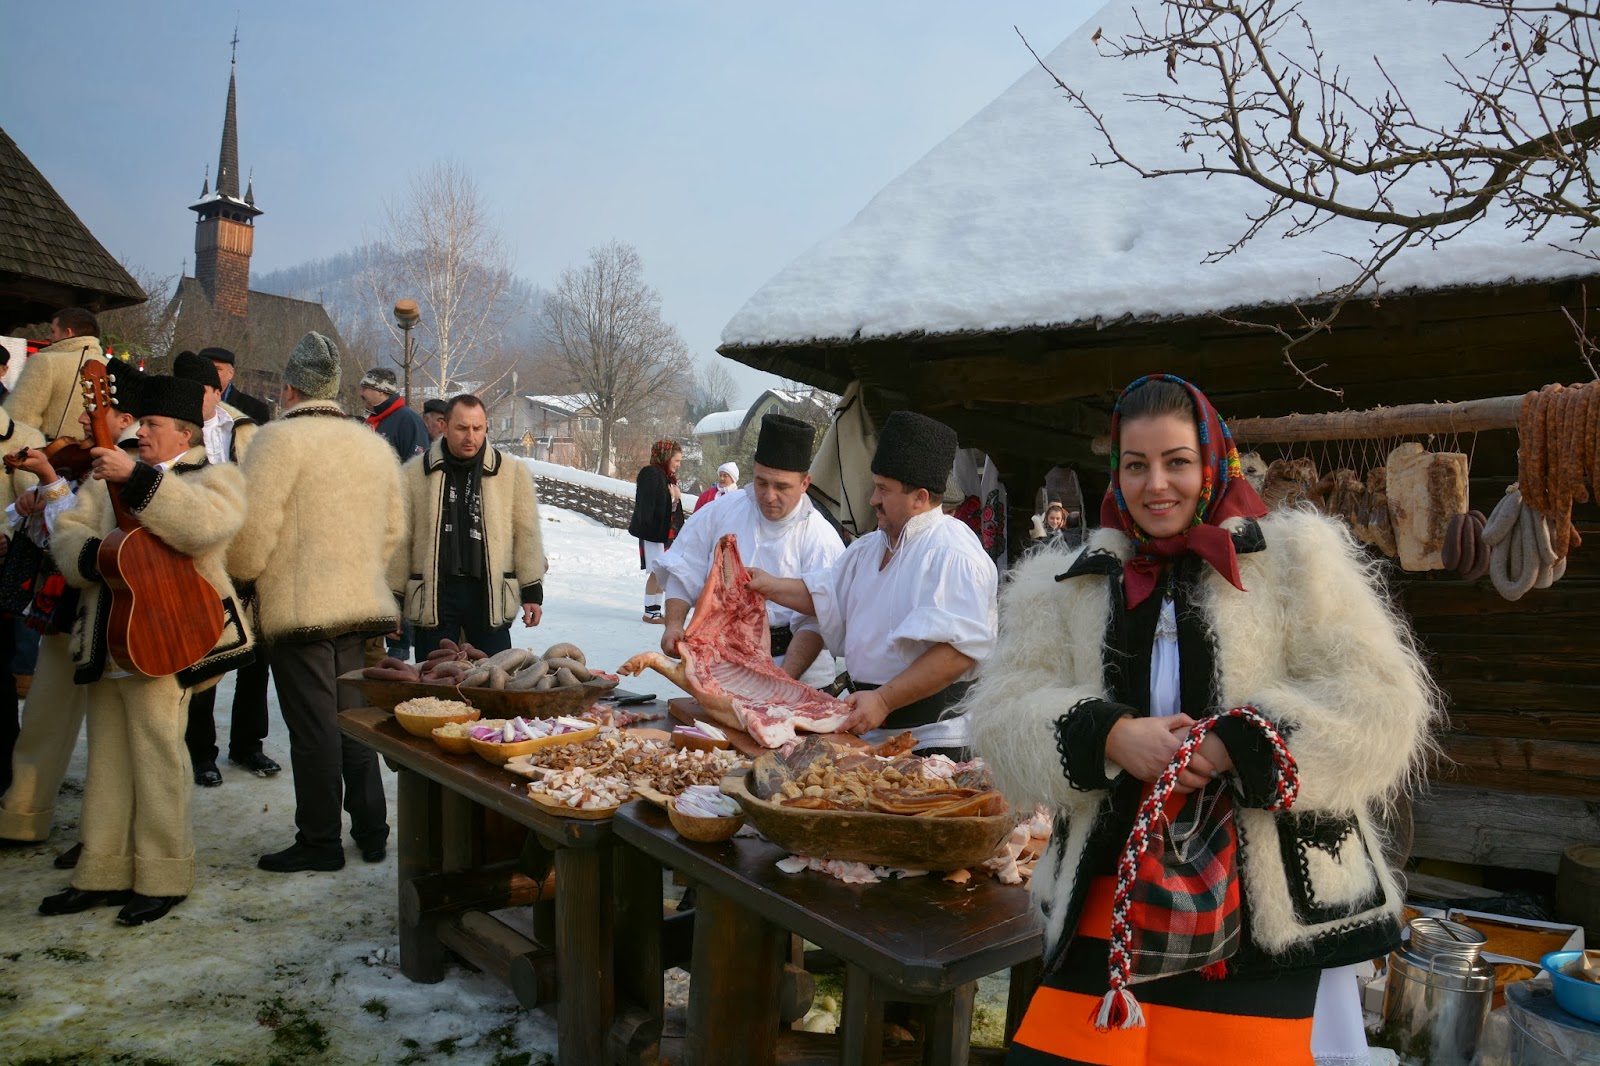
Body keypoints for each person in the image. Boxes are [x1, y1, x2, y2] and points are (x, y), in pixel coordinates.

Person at [966, 375, 1440, 1065]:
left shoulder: (1297, 561)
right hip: (1112, 893)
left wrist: (1234, 744)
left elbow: (1381, 701)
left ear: (1214, 463)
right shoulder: (1063, 583)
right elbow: (1003, 709)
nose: (1156, 484)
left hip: (1262, 905)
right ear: (1115, 470)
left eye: (1177, 462)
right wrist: (1108, 735)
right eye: (1136, 465)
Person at [42, 374, 254, 926]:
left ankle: (163, 874)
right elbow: (67, 532)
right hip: (108, 637)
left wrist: (136, 478)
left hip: (170, 637)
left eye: (153, 425)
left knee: (158, 756)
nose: (141, 432)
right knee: (107, 758)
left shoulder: (215, 477)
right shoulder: (103, 477)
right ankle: (102, 870)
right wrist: (97, 559)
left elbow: (203, 528)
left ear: (184, 432)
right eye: (140, 424)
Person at [228, 332, 404, 873]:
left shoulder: (277, 441)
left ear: (289, 388)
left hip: (300, 607)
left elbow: (252, 534)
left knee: (313, 731)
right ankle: (372, 830)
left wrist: (243, 575)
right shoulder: (372, 444)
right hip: (359, 605)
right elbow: (393, 531)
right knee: (353, 721)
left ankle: (321, 840)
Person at [747, 411, 997, 756]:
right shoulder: (870, 546)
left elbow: (956, 652)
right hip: (872, 732)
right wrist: (765, 584)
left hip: (934, 740)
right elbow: (825, 595)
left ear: (920, 498)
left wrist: (883, 699)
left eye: (883, 489)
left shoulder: (952, 553)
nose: (872, 500)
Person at [0, 363, 136, 862]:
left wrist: (53, 481)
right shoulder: (84, 459)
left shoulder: (128, 464)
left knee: (108, 737)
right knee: (43, 714)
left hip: (105, 611)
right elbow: (38, 525)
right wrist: (35, 496)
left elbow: (84, 535)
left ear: (125, 418)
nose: (84, 417)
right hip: (62, 611)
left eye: (100, 409)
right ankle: (22, 812)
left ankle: (101, 838)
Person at [655, 416, 841, 687]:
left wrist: (782, 679)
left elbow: (816, 620)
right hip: (724, 664)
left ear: (805, 483)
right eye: (761, 482)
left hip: (798, 672)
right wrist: (673, 624)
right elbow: (684, 569)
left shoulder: (821, 537)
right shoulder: (722, 510)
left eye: (782, 487)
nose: (768, 495)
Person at [171, 352, 278, 786]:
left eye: (206, 390)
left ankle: (248, 744)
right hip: (198, 560)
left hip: (246, 555)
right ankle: (201, 752)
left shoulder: (244, 426)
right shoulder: (171, 430)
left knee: (257, 657)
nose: (198, 399)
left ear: (220, 390)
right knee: (205, 656)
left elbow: (264, 491)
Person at [390, 393, 545, 660]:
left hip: (489, 594)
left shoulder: (512, 472)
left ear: (486, 428)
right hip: (434, 596)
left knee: (494, 683)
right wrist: (392, 599)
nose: (470, 436)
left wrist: (532, 591)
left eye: (477, 428)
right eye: (461, 428)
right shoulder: (413, 474)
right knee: (434, 684)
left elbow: (527, 535)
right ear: (444, 427)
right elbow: (400, 541)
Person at [5, 307, 105, 437]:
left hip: (49, 453)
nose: (48, 336)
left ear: (68, 333)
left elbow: (19, 418)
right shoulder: (110, 366)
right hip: (98, 454)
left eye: (53, 331)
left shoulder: (45, 361)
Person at [629, 439, 684, 624]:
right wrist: (672, 498)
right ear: (666, 457)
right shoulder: (651, 475)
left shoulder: (666, 477)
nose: (678, 464)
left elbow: (669, 509)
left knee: (664, 572)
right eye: (676, 460)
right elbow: (650, 505)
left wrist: (675, 499)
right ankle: (649, 612)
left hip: (664, 533)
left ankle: (656, 610)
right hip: (654, 533)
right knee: (657, 571)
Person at [359, 367, 427, 461]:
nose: (360, 393)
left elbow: (417, 465)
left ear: (380, 391)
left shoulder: (408, 420)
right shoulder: (371, 421)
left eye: (364, 388)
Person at [201, 346, 272, 425]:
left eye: (217, 369)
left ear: (231, 373)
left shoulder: (256, 410)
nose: (210, 372)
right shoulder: (187, 401)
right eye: (204, 367)